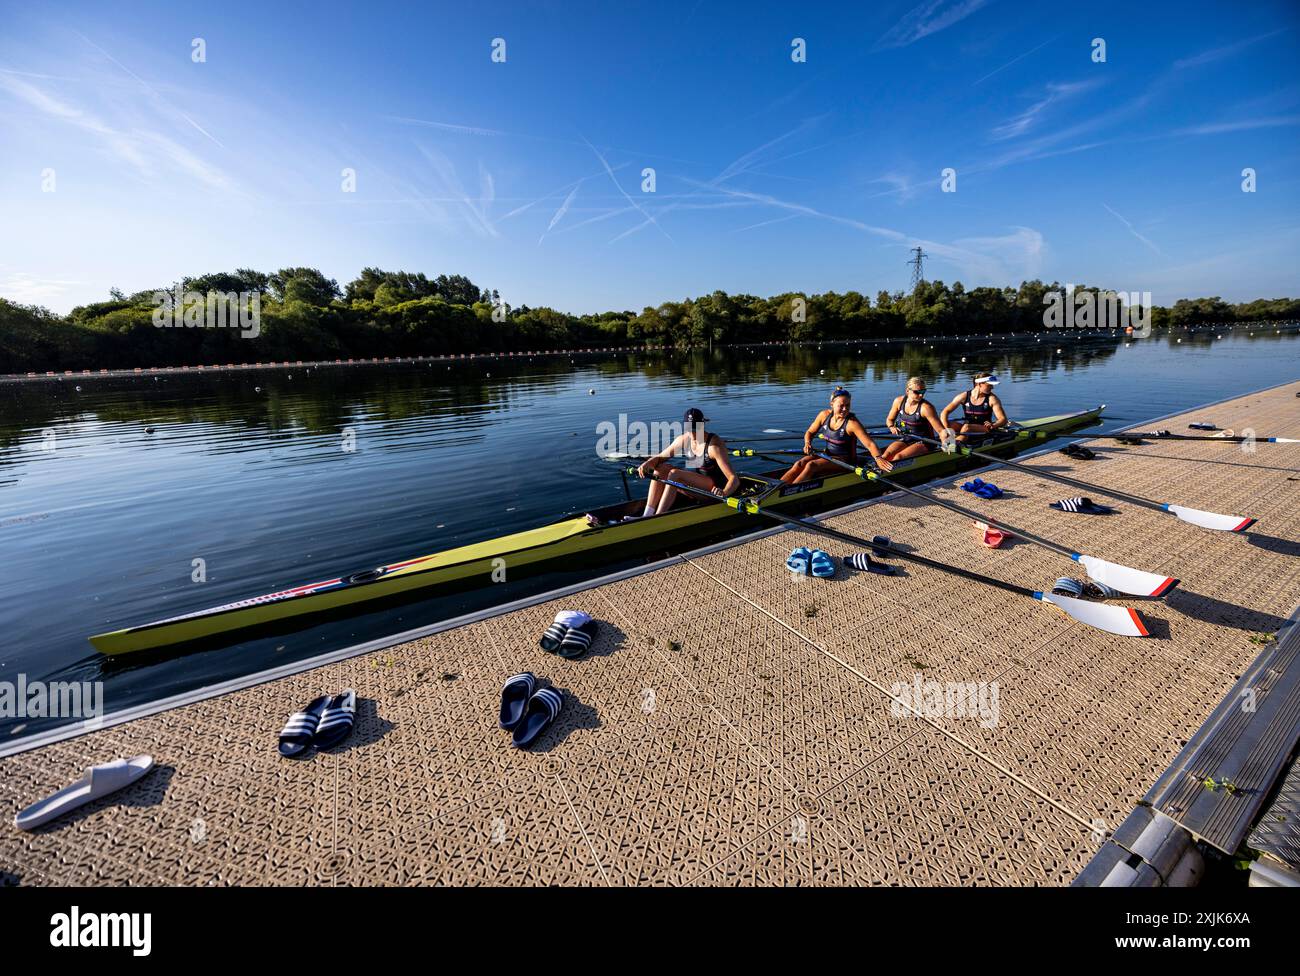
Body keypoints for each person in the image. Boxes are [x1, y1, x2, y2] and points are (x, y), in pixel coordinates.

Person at [633, 407, 740, 518]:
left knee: (675, 474)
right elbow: (660, 457)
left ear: (703, 425)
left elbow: (734, 479)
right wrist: (649, 463)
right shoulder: (683, 440)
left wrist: (724, 493)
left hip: (712, 491)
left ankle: (658, 517)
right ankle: (647, 515)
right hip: (693, 487)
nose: (692, 433)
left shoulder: (714, 447)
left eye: (696, 428)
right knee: (660, 468)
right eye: (689, 429)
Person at [781, 387, 893, 483]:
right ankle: (776, 489)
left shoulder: (852, 423)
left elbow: (869, 444)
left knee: (811, 465)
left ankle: (788, 492)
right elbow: (809, 432)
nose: (845, 409)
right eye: (841, 406)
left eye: (848, 405)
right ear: (832, 404)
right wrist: (807, 443)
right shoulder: (823, 415)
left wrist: (878, 458)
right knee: (800, 463)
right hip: (828, 455)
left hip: (846, 461)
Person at [881, 377, 946, 462]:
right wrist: (891, 427)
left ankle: (887, 473)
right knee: (886, 455)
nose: (921, 395)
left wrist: (947, 445)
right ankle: (876, 470)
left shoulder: (926, 408)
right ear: (907, 391)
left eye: (923, 392)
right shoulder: (898, 401)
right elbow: (889, 419)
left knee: (898, 457)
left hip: (925, 441)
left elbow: (941, 431)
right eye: (917, 392)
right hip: (907, 438)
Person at [940, 373, 1007, 444]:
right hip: (966, 427)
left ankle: (954, 444)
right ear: (979, 384)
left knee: (967, 427)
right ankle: (948, 442)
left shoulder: (992, 399)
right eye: (989, 385)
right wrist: (946, 428)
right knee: (950, 424)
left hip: (984, 429)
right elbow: (944, 412)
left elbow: (1003, 419)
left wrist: (994, 425)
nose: (992, 388)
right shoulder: (963, 396)